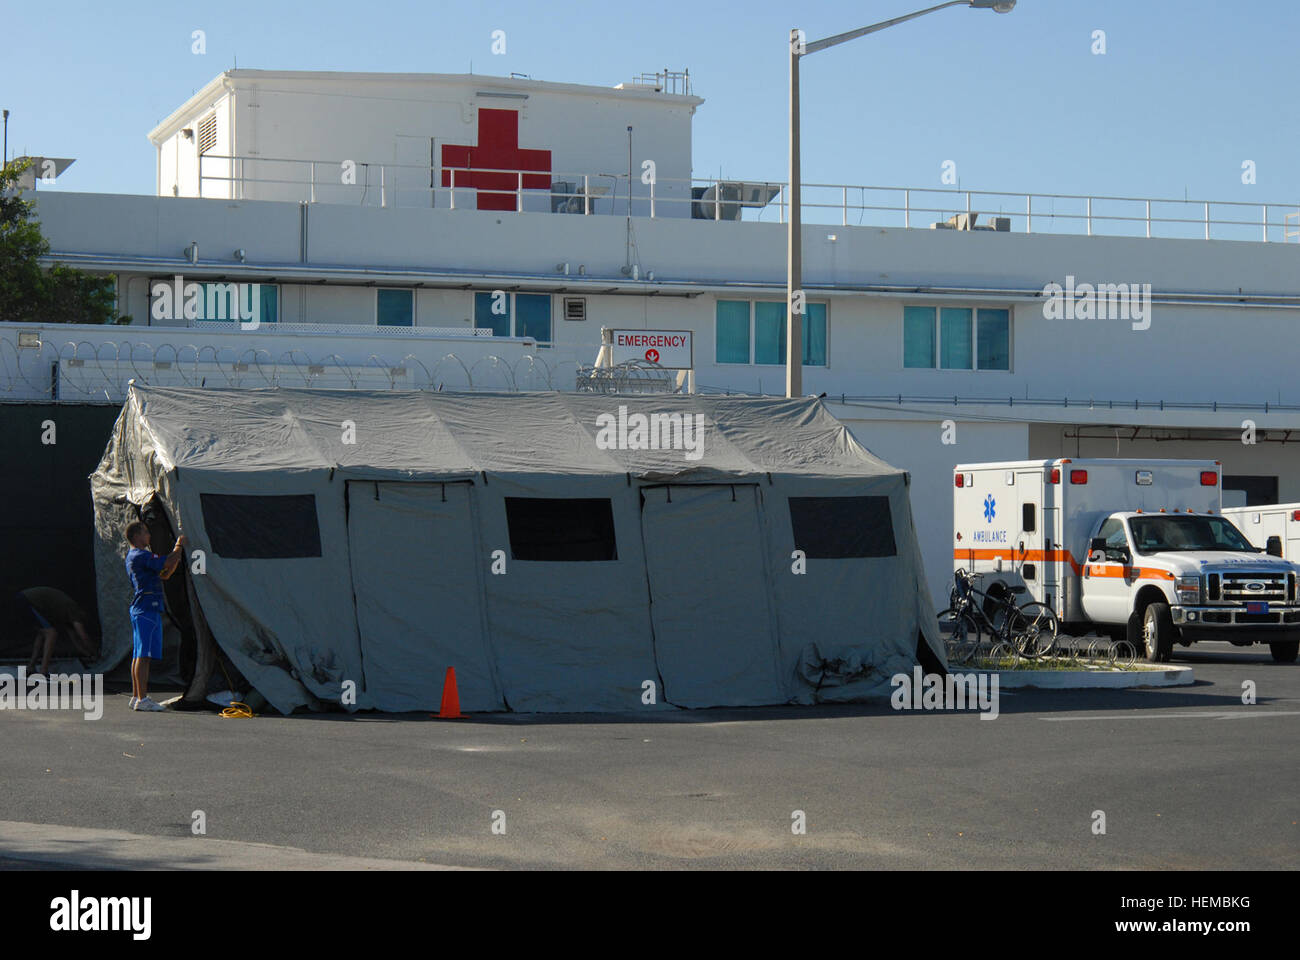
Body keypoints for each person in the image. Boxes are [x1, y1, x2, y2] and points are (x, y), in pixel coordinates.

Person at [124, 520, 186, 712]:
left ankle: (137, 696)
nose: (149, 536)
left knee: (138, 654)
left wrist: (173, 559)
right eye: (145, 533)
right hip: (147, 609)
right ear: (137, 536)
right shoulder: (142, 555)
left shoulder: (134, 556)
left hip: (141, 608)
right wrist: (179, 545)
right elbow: (167, 562)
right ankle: (142, 699)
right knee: (144, 656)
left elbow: (165, 573)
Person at [20, 587, 97, 675]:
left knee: (42, 634)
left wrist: (88, 654)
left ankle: (30, 667)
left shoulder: (67, 615)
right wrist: (95, 653)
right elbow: (84, 637)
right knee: (51, 634)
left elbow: (76, 641)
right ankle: (43, 671)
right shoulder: (75, 610)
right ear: (83, 612)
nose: (81, 622)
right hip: (27, 600)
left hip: (24, 599)